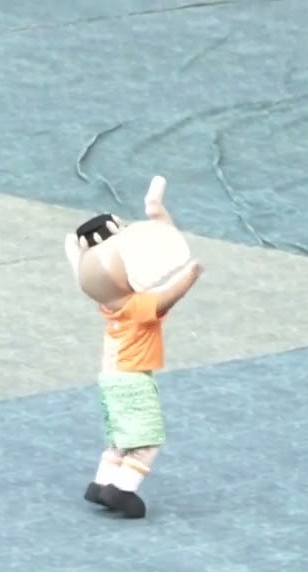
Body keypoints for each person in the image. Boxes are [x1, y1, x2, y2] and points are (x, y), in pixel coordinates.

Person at [65, 176, 203, 519]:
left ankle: (101, 482)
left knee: (119, 437)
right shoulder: (137, 307)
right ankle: (123, 490)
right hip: (132, 378)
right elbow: (166, 297)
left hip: (109, 379)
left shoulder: (108, 305)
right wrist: (191, 274)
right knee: (146, 441)